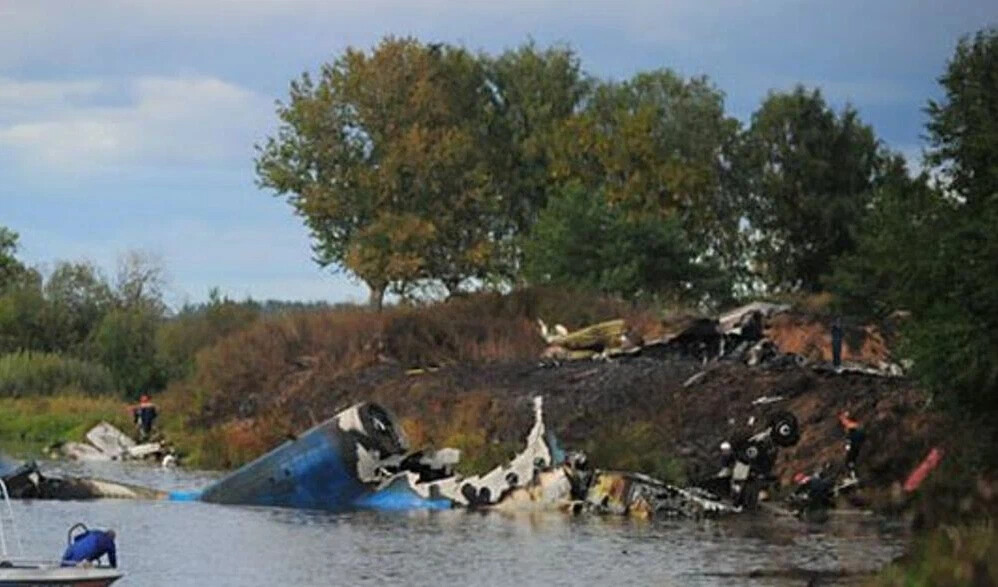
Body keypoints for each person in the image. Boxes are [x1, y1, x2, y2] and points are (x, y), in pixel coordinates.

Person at [838, 411, 865, 478]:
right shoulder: (849, 428)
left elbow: (854, 437)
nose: (842, 422)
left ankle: (854, 476)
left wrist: (849, 444)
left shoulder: (853, 427)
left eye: (843, 419)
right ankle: (853, 475)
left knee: (850, 460)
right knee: (849, 461)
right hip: (853, 445)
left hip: (856, 445)